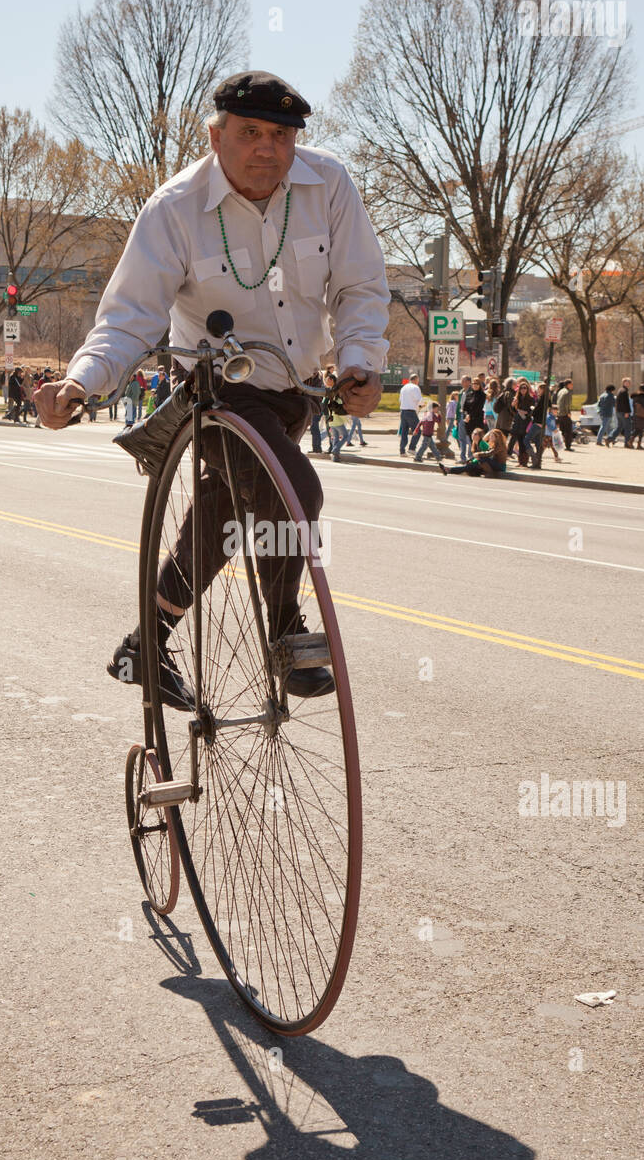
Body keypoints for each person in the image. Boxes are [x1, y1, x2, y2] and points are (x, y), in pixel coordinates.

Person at [35, 69, 387, 704]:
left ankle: (143, 647)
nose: (267, 148)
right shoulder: (173, 209)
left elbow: (359, 288)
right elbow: (128, 317)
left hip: (295, 390)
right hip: (215, 384)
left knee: (223, 521)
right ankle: (285, 632)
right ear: (215, 135)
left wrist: (359, 362)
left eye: (282, 135)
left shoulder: (329, 184)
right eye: (250, 132)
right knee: (293, 490)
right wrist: (81, 383)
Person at [412, 402, 447, 474]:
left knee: (433, 446)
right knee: (424, 446)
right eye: (437, 408)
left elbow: (420, 422)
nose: (437, 410)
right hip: (428, 433)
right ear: (433, 408)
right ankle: (417, 457)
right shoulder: (432, 415)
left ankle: (438, 458)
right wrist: (439, 415)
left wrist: (416, 430)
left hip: (426, 433)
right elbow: (439, 421)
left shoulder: (426, 414)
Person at [399, 375, 422, 455]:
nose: (418, 382)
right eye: (418, 380)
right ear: (415, 380)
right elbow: (419, 400)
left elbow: (400, 400)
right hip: (411, 412)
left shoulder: (403, 388)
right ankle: (412, 448)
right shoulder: (415, 388)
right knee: (417, 431)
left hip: (403, 411)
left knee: (404, 432)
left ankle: (402, 451)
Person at [609, 378, 633, 446]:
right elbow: (625, 403)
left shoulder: (620, 390)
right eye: (627, 382)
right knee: (628, 427)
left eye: (629, 382)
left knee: (619, 427)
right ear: (623, 383)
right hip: (623, 412)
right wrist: (627, 412)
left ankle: (609, 439)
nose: (629, 383)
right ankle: (627, 443)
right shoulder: (624, 391)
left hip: (619, 412)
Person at [632, 383, 644, 449]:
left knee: (639, 429)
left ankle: (636, 443)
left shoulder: (635, 396)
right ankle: (634, 442)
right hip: (642, 415)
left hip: (636, 414)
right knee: (639, 429)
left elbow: (634, 405)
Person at [556, 379, 574, 450]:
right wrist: (568, 412)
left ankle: (562, 444)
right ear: (568, 384)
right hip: (565, 414)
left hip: (559, 413)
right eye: (571, 384)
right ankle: (568, 446)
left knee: (562, 430)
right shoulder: (567, 392)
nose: (572, 386)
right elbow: (567, 404)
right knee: (568, 431)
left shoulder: (561, 391)